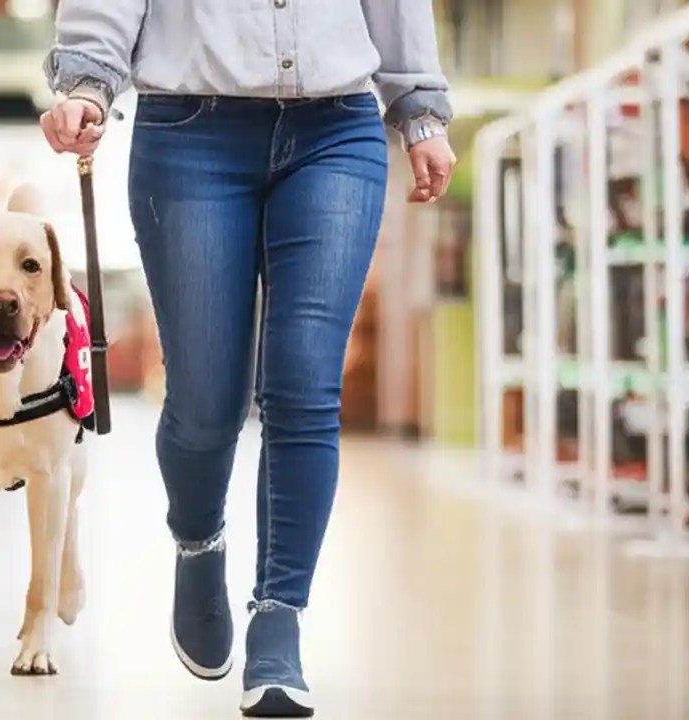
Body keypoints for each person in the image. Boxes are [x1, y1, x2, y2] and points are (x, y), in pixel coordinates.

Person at [39, 2, 455, 717]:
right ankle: (198, 541)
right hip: (189, 133)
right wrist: (87, 81)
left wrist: (419, 109)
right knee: (206, 402)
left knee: (304, 384)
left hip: (338, 129)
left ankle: (279, 618)